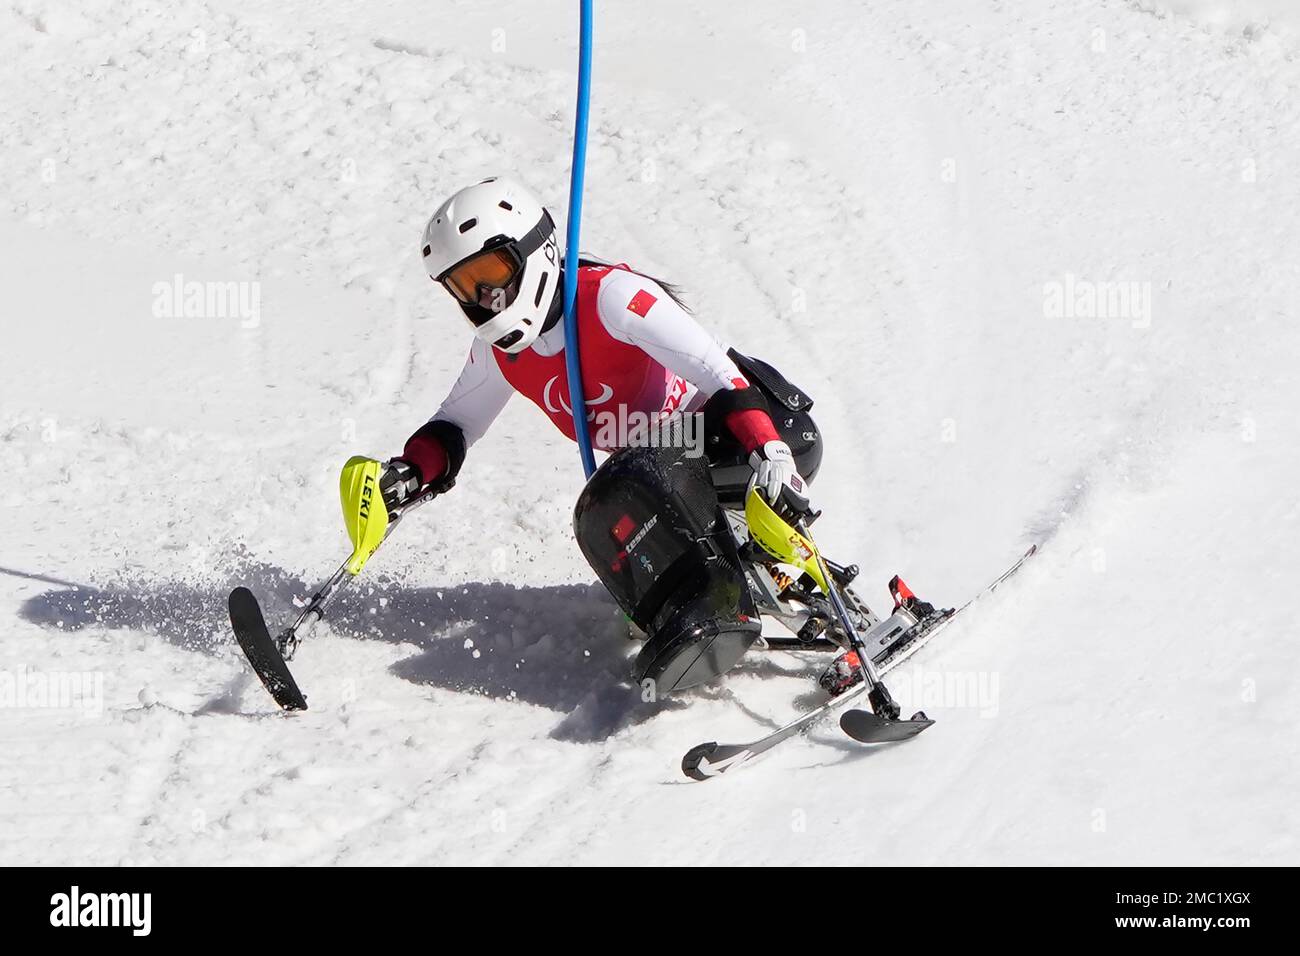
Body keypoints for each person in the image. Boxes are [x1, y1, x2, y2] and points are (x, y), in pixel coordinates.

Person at [374, 176, 823, 692]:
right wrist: (410, 472)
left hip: (755, 429)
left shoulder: (611, 298)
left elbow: (720, 374)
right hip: (669, 472)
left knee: (621, 489)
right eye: (465, 286)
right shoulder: (501, 354)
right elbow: (454, 424)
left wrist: (770, 450)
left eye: (491, 275)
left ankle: (716, 609)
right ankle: (688, 608)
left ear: (533, 252)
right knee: (602, 514)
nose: (486, 299)